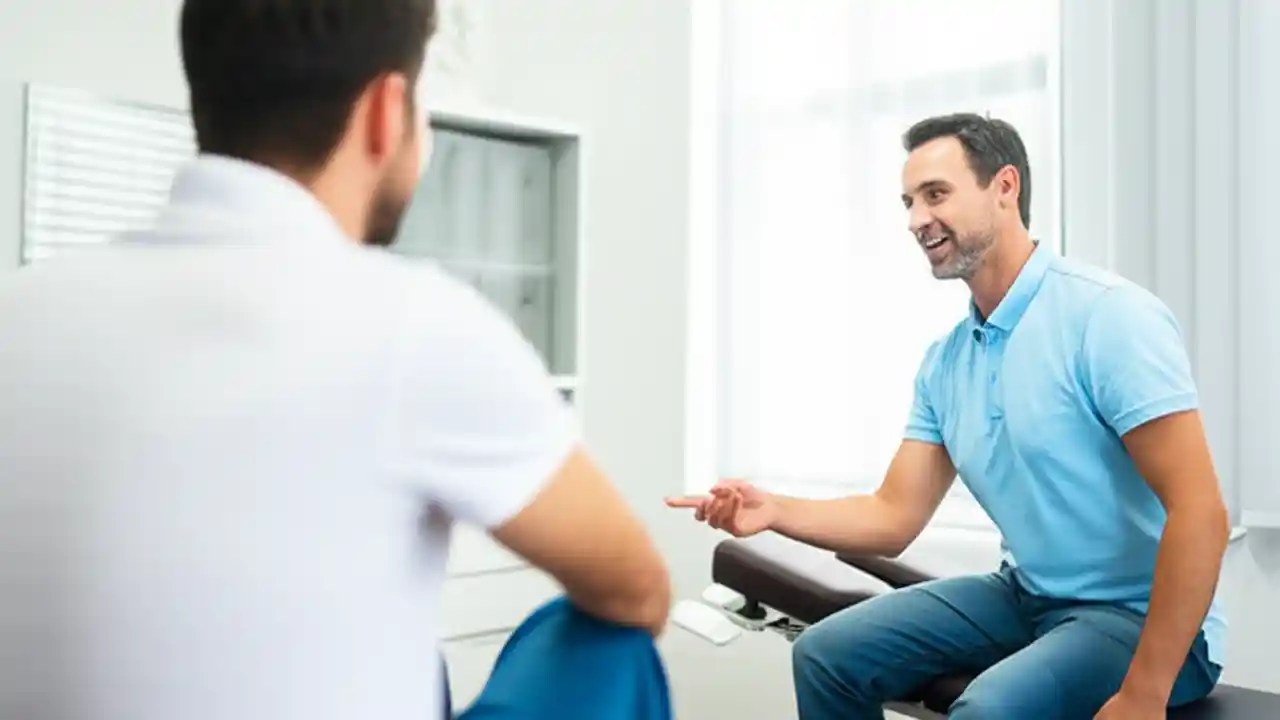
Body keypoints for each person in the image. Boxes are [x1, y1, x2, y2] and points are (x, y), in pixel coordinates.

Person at [0, 2, 672, 719]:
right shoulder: (421, 324)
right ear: (388, 111)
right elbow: (637, 589)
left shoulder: (18, 309)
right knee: (607, 643)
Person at [668, 113, 1230, 720]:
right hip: (1027, 596)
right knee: (825, 654)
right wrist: (773, 510)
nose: (915, 220)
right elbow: (892, 516)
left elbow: (1200, 512)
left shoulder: (1108, 319)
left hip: (1135, 616)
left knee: (986, 710)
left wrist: (1143, 693)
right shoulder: (947, 362)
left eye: (936, 194)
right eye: (909, 202)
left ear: (1005, 187)